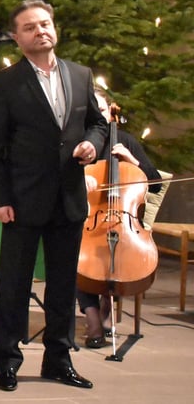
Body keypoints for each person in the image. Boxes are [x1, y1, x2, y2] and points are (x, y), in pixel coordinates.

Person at [0, 0, 108, 392]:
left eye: (46, 24)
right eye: (31, 27)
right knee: (13, 284)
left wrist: (91, 144)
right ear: (17, 37)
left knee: (63, 284)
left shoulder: (81, 75)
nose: (41, 31)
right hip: (21, 198)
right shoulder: (4, 84)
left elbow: (98, 125)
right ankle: (8, 361)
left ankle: (59, 359)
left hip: (68, 196)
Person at [77, 89, 161, 349]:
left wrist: (131, 160)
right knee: (76, 256)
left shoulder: (125, 140)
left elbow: (155, 184)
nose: (99, 116)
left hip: (125, 224)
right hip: (90, 221)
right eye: (94, 111)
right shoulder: (80, 144)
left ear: (109, 114)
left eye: (102, 110)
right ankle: (92, 319)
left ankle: (106, 304)